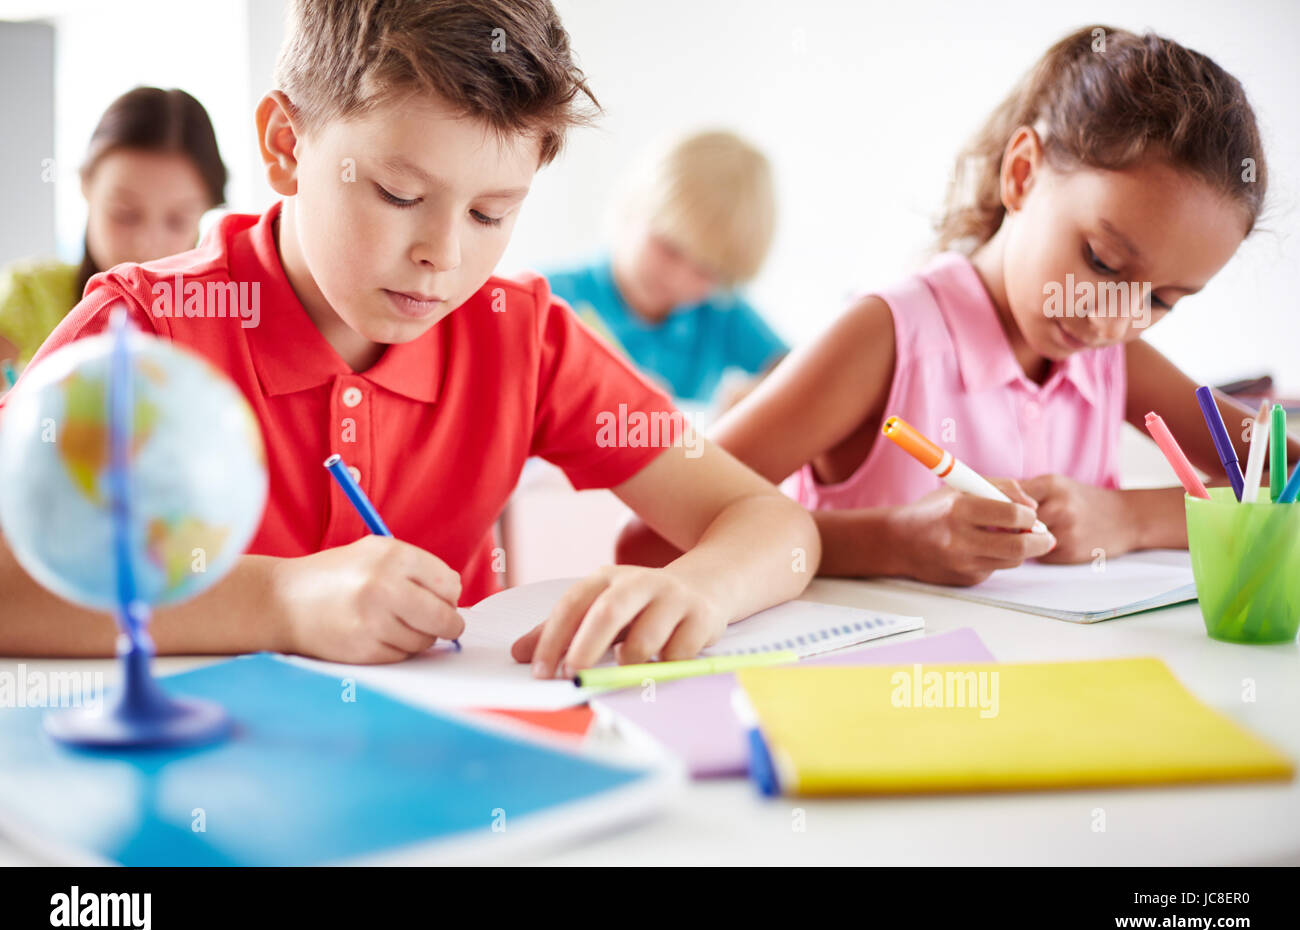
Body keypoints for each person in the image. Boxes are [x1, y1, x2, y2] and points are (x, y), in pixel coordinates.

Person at [0, 0, 819, 677]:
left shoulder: (523, 341)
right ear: (286, 147)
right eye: (397, 194)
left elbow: (774, 525)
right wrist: (280, 602)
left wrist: (700, 591)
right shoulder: (140, 329)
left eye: (492, 213)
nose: (444, 254)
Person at [619, 25, 1299, 586]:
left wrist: (1128, 517)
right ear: (1023, 173)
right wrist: (891, 541)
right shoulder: (886, 339)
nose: (1112, 318)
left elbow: (1287, 475)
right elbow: (649, 541)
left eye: (1161, 299)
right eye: (1102, 261)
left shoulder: (1112, 362)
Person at [546, 130, 786, 404]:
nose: (677, 278)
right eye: (669, 247)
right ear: (634, 206)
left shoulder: (721, 313)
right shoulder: (548, 298)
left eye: (706, 271)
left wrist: (755, 401)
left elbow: (800, 375)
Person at [0, 87, 226, 367]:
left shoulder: (226, 316)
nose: (146, 243)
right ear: (86, 185)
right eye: (125, 214)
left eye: (177, 220)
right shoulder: (28, 299)